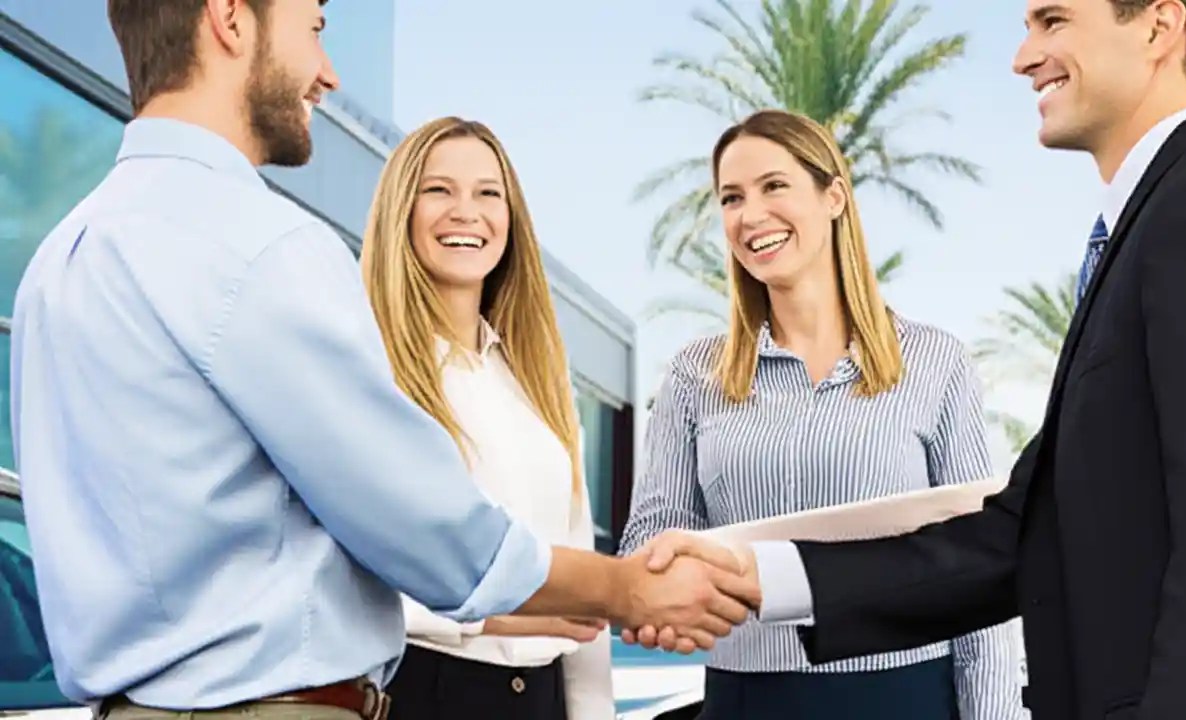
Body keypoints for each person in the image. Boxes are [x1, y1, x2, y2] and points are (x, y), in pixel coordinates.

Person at [8, 1, 757, 718]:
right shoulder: (264, 247)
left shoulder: (59, 263)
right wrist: (625, 590)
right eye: (314, 28)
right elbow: (429, 533)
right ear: (230, 17)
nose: (328, 72)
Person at [634, 0, 1186, 718]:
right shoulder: (1155, 223)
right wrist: (761, 576)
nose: (1022, 56)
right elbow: (1016, 535)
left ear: (1160, 26)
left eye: (1053, 20)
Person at [618, 108, 1025, 720]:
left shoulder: (935, 364)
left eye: (774, 186)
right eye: (732, 198)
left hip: (904, 697)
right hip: (747, 700)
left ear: (833, 195)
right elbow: (650, 541)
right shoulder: (693, 378)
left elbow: (978, 570)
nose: (751, 215)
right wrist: (658, 574)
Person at [361, 116, 614, 720]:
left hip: (544, 698)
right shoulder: (367, 367)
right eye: (439, 190)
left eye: (487, 194)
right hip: (424, 692)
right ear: (403, 209)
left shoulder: (541, 381)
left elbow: (581, 580)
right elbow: (355, 580)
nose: (465, 212)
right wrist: (505, 611)